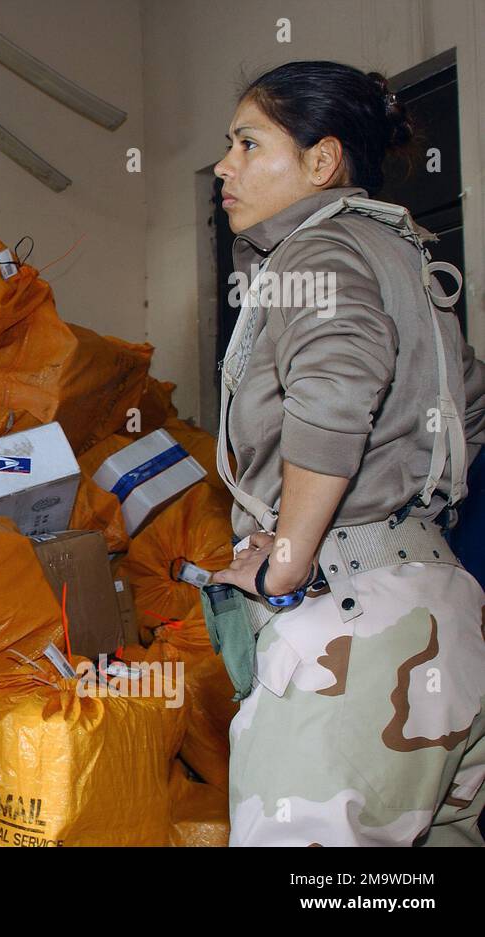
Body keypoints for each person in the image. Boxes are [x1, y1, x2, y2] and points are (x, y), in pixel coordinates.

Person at [209, 61, 485, 846]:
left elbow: (335, 390)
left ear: (321, 161)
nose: (226, 166)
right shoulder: (407, 262)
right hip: (444, 614)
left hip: (354, 637)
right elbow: (466, 407)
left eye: (248, 143)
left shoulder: (312, 254)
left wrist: (289, 556)